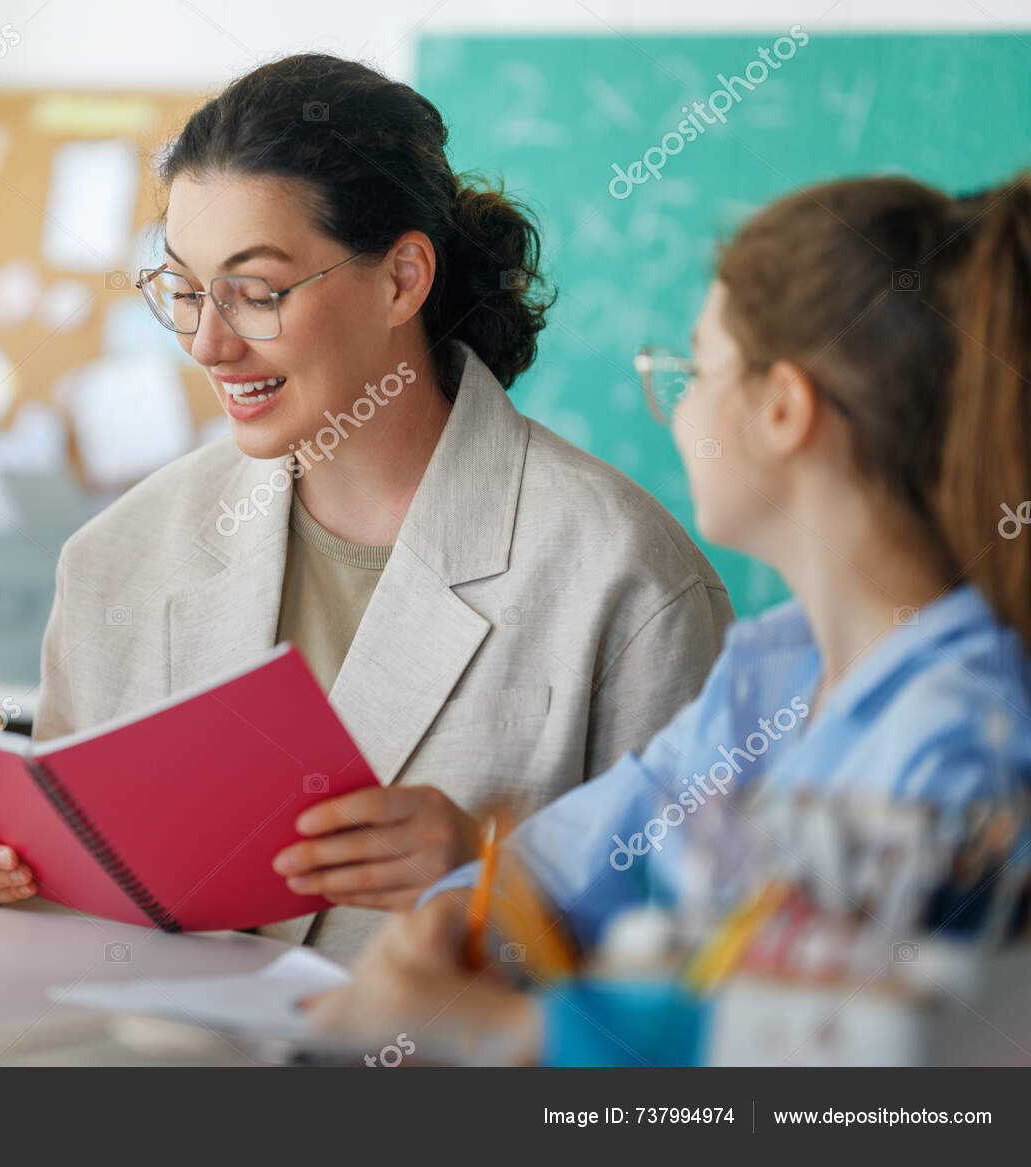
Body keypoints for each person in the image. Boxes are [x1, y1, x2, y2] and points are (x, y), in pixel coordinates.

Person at [0, 53, 734, 957]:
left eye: (257, 293)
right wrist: (1, 863)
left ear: (401, 279)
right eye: (186, 292)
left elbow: (696, 968)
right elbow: (78, 917)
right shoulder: (119, 554)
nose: (209, 344)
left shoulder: (627, 579)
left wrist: (500, 877)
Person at [308, 171, 1031, 1056]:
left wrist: (512, 1030)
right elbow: (580, 858)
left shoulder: (973, 735)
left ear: (781, 410)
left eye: (693, 370)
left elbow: (844, 1069)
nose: (677, 408)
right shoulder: (773, 676)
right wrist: (463, 914)